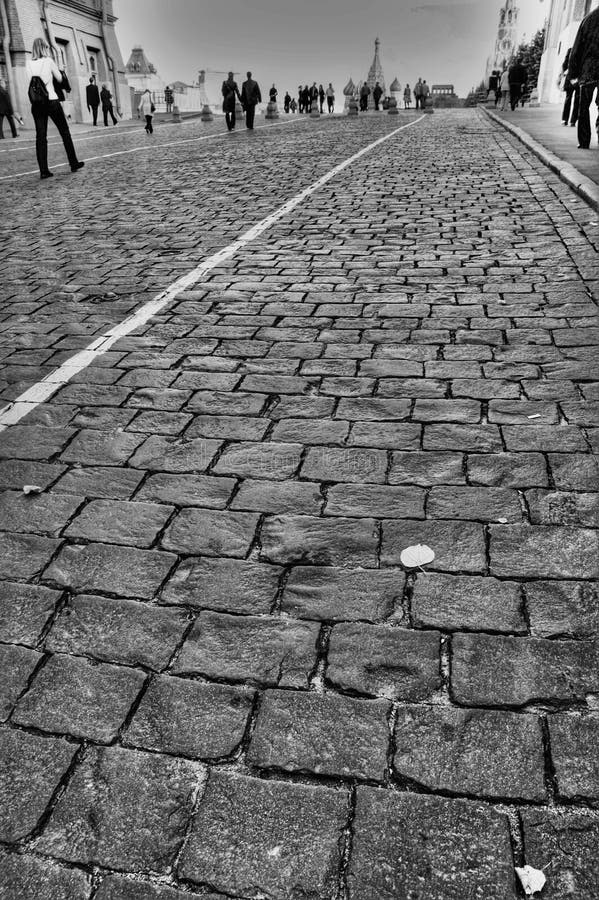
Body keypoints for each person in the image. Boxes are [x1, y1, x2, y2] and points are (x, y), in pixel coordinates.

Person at [26, 37, 83, 179]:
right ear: (44, 48)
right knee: (65, 132)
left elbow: (30, 82)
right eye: (46, 47)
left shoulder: (28, 63)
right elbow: (59, 79)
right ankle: (73, 163)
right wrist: (59, 70)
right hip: (51, 101)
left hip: (37, 104)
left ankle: (44, 171)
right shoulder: (48, 61)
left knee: (41, 136)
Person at [567, 5, 599, 150]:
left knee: (584, 107)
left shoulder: (588, 19)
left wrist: (573, 73)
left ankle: (584, 141)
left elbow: (577, 49)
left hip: (588, 70)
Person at [560, 49, 579, 127]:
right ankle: (572, 121)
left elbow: (564, 64)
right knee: (575, 100)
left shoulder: (571, 50)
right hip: (575, 78)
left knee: (570, 99)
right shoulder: (578, 50)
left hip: (573, 77)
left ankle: (566, 120)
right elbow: (565, 64)